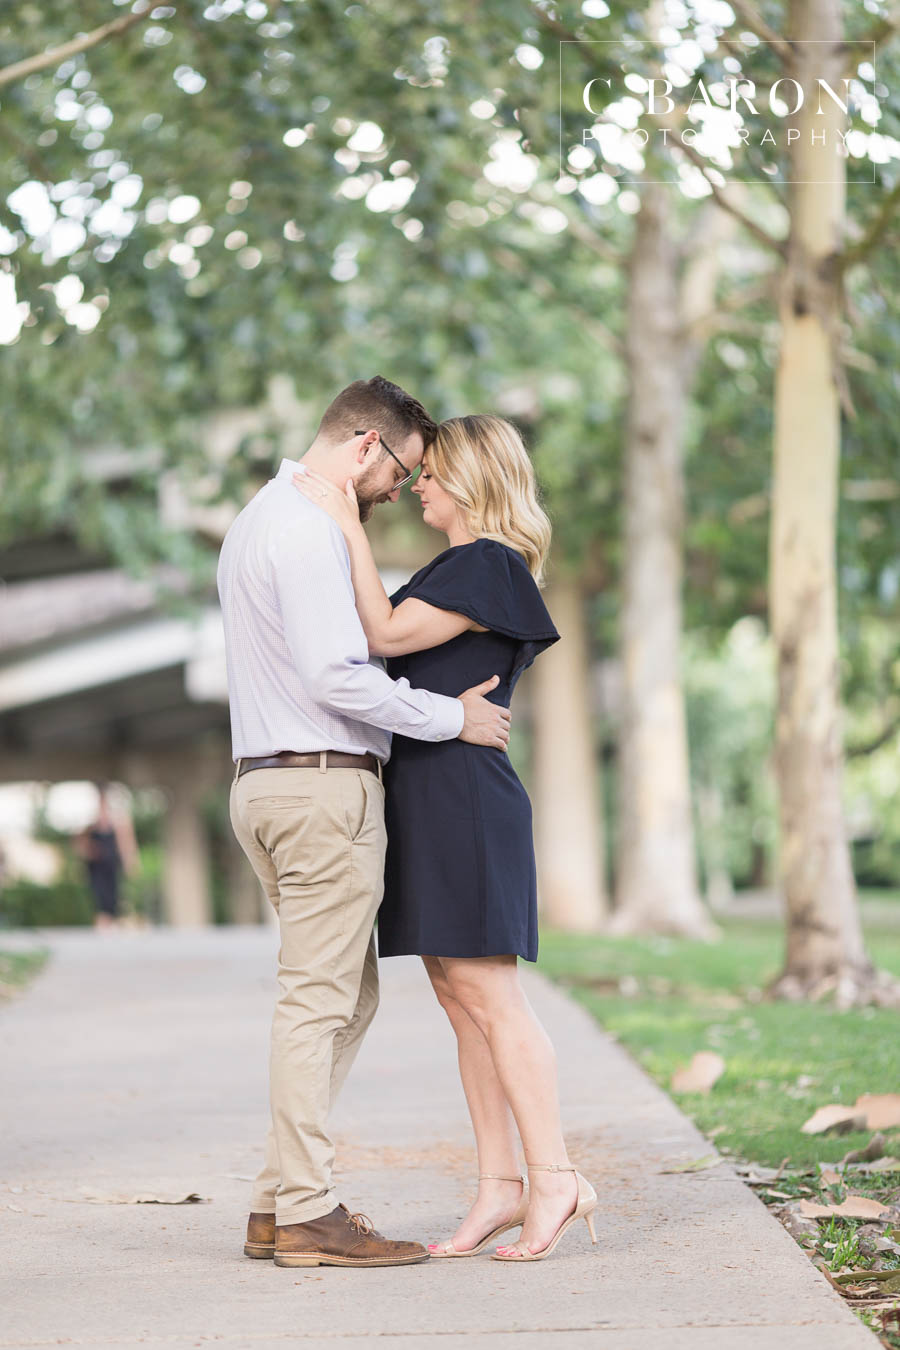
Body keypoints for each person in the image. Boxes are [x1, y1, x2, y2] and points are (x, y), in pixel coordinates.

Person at [217, 376, 511, 1270]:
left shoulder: (256, 520)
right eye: (400, 471)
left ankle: (278, 1202)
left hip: (271, 786)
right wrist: (450, 719)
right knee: (319, 999)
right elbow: (337, 677)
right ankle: (305, 1208)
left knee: (344, 994)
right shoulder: (306, 530)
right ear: (363, 447)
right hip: (319, 788)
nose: (398, 492)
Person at [290, 414, 597, 1264]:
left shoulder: (486, 564)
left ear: (467, 477)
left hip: (465, 799)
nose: (415, 482)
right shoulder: (457, 568)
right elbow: (379, 638)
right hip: (430, 795)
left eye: (430, 473)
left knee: (489, 996)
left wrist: (344, 518)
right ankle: (500, 1186)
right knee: (460, 1001)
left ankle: (555, 1176)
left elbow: (383, 636)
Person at [74, 782, 139, 930]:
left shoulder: (118, 822)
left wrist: (130, 861)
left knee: (113, 899)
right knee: (100, 899)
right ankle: (103, 926)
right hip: (97, 868)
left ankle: (109, 926)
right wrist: (89, 851)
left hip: (111, 865)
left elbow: (126, 843)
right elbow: (80, 844)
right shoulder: (91, 823)